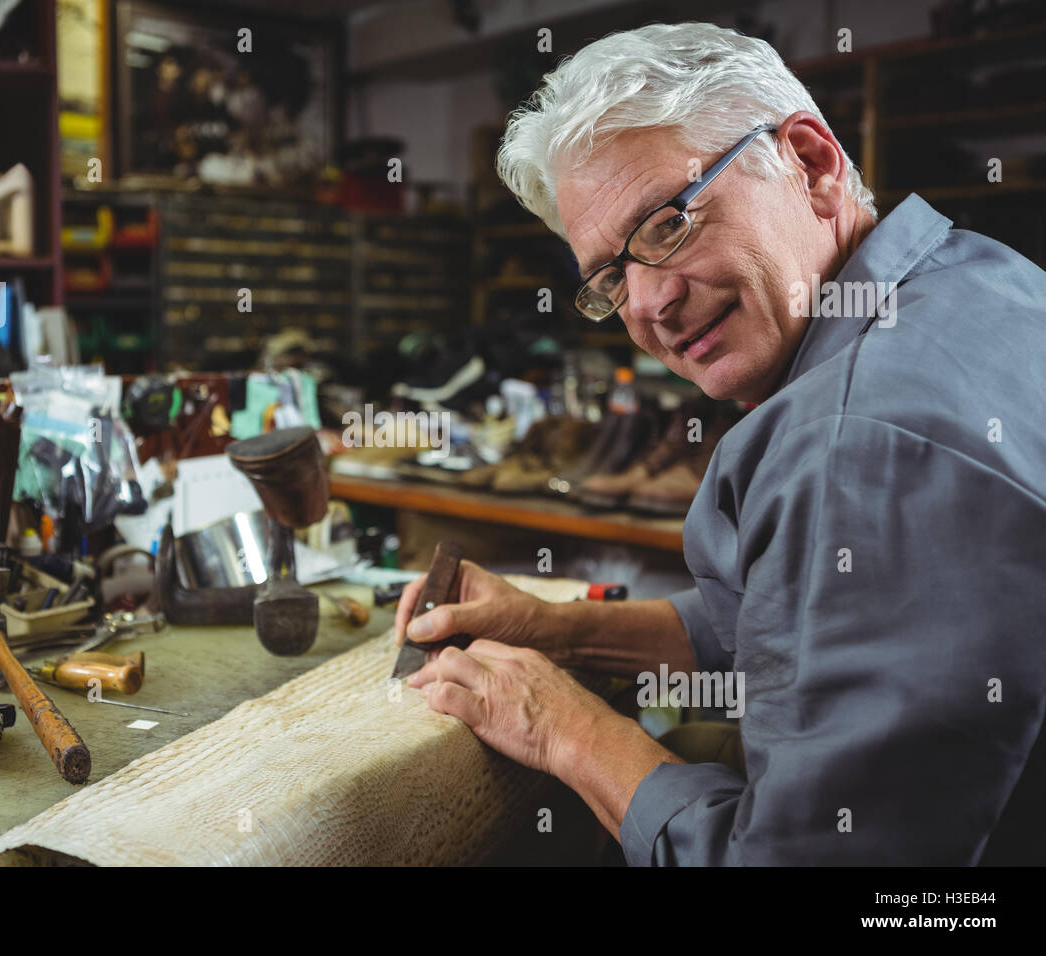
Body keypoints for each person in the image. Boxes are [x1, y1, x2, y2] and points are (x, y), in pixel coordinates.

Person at [396, 22, 1046, 865]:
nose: (649, 305)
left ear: (810, 164)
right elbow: (809, 609)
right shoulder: (973, 278)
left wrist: (563, 728)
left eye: (668, 225)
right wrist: (556, 629)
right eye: (608, 276)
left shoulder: (854, 441)